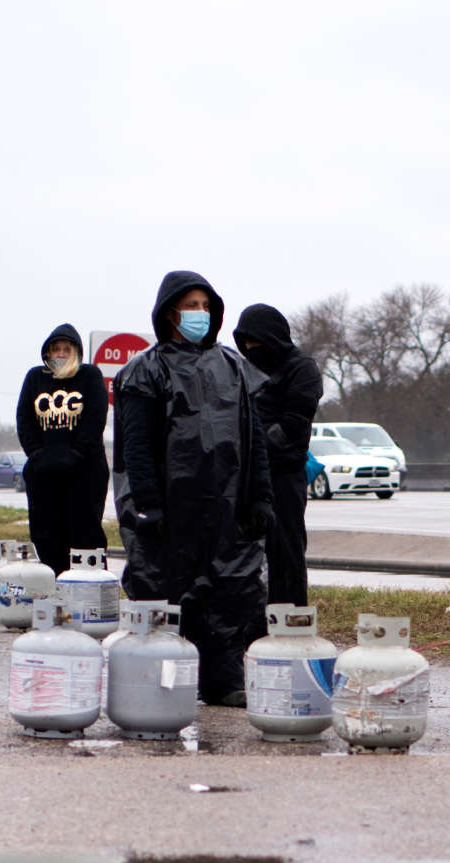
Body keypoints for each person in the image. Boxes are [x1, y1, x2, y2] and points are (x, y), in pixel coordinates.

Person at [115, 270, 274, 707]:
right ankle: (155, 686)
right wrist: (146, 502)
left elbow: (254, 438)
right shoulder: (145, 370)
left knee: (230, 592)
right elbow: (136, 447)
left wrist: (261, 496)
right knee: (163, 591)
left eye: (206, 306)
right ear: (170, 313)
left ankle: (222, 681)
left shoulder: (234, 368)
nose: (200, 314)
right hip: (170, 506)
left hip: (227, 504)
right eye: (192, 306)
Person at [234, 304, 321, 607]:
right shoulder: (243, 371)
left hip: (283, 474)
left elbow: (294, 425)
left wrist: (252, 445)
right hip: (246, 474)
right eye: (245, 345)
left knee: (285, 550)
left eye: (256, 344)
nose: (250, 350)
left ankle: (289, 614)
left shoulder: (302, 369)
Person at [14, 324, 109, 575]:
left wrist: (76, 452)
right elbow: (24, 418)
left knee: (85, 532)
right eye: (56, 349)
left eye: (67, 349)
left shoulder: (89, 375)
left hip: (85, 470)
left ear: (76, 351)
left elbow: (96, 416)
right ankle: (54, 585)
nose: (61, 354)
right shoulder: (35, 377)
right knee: (46, 533)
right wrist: (37, 454)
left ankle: (89, 585)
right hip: (44, 470)